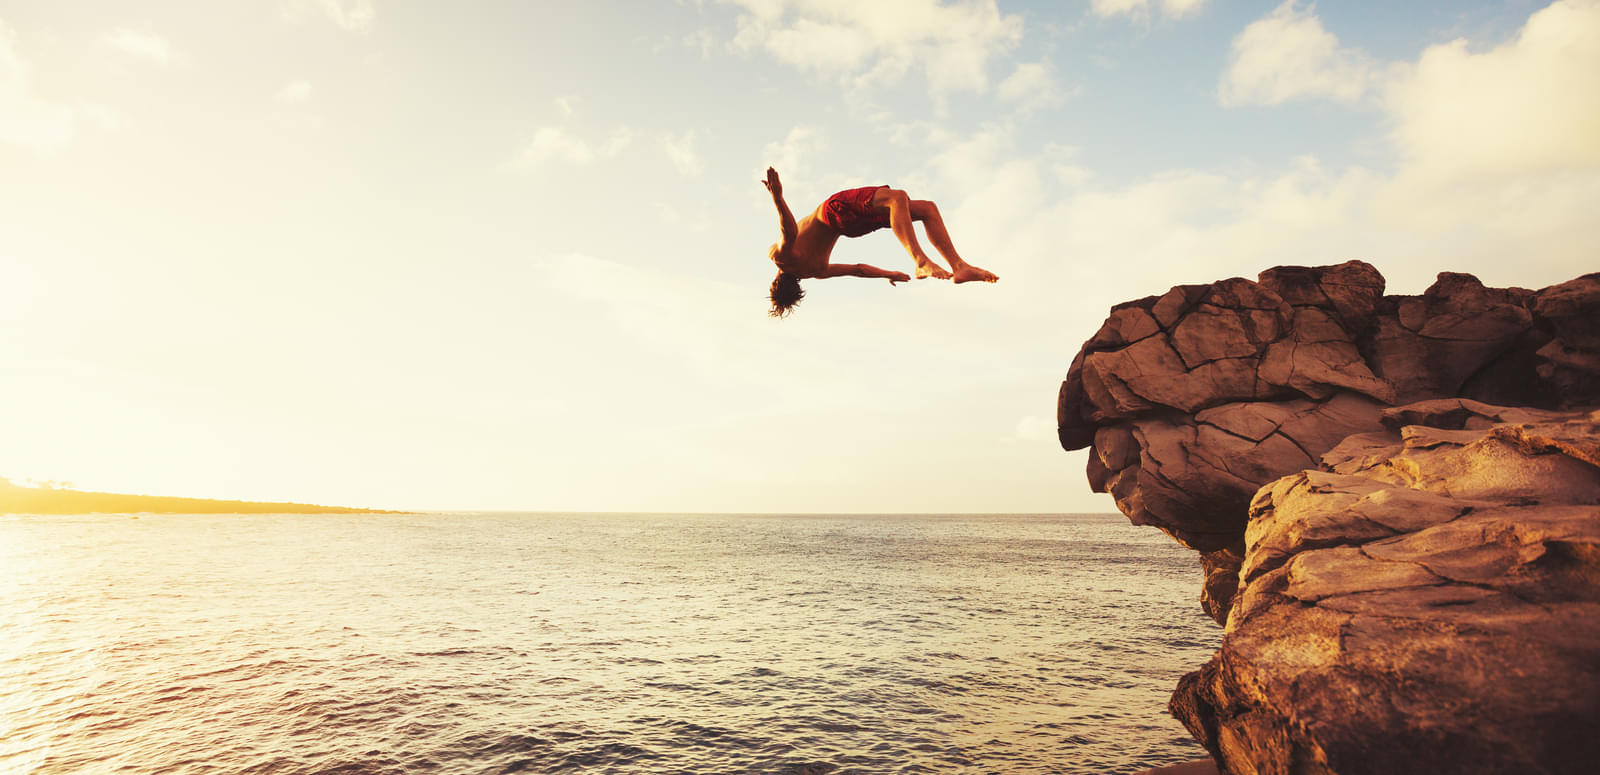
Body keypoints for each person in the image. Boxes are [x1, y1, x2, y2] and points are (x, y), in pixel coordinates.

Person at [761, 167, 997, 318]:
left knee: (925, 209)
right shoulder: (780, 257)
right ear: (776, 281)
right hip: (834, 211)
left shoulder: (817, 271)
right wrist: (778, 198)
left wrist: (888, 273)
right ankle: (920, 260)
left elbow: (858, 270)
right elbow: (789, 232)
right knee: (896, 198)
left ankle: (959, 267)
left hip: (849, 228)